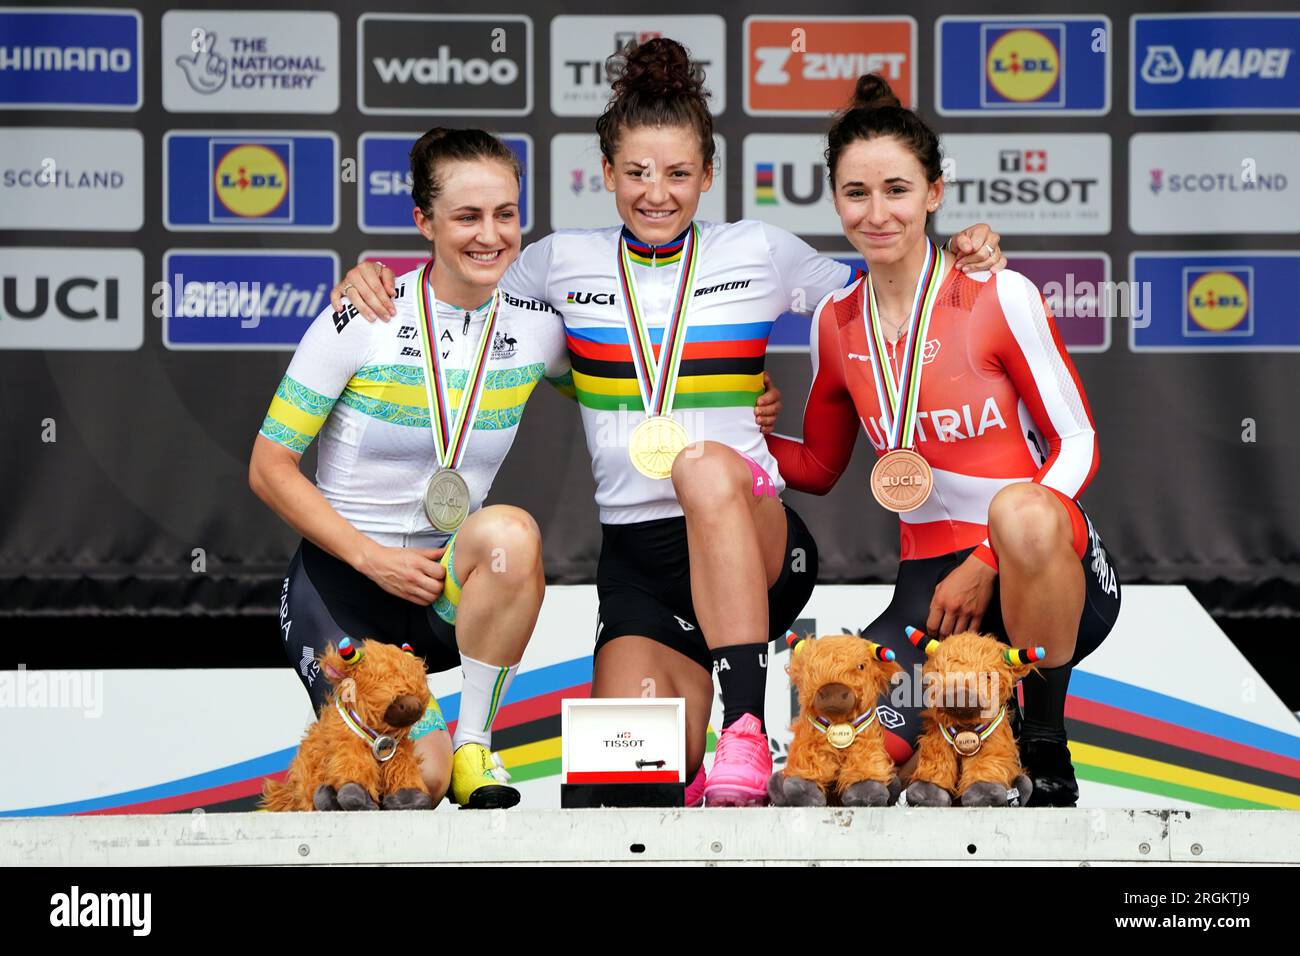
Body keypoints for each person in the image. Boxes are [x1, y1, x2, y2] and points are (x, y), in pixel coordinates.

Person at [331, 39, 1004, 807]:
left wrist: (967, 250)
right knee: (621, 785)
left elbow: (895, 282)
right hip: (641, 565)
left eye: (680, 173)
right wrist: (372, 273)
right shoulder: (557, 262)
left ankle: (746, 731)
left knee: (704, 466)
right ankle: (698, 768)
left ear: (708, 175)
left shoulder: (760, 250)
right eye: (639, 173)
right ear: (607, 174)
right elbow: (460, 282)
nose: (659, 193)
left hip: (752, 535)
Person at [766, 74, 1121, 806]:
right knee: (855, 761)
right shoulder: (834, 322)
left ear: (933, 192)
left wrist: (988, 559)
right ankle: (970, 744)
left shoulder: (996, 293)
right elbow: (822, 466)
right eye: (856, 193)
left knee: (1020, 511)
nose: (877, 212)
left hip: (1040, 567)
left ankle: (1043, 741)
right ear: (834, 199)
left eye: (897, 190)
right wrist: (743, 432)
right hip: (929, 598)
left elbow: (1077, 441)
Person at [250, 128, 571, 810]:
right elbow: (269, 466)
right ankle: (327, 778)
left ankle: (475, 746)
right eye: (467, 217)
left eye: (505, 214)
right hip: (343, 587)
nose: (490, 235)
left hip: (440, 594)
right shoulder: (360, 316)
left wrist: (752, 396)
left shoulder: (540, 329)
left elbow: (630, 393)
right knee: (410, 785)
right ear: (423, 222)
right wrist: (371, 559)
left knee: (511, 534)